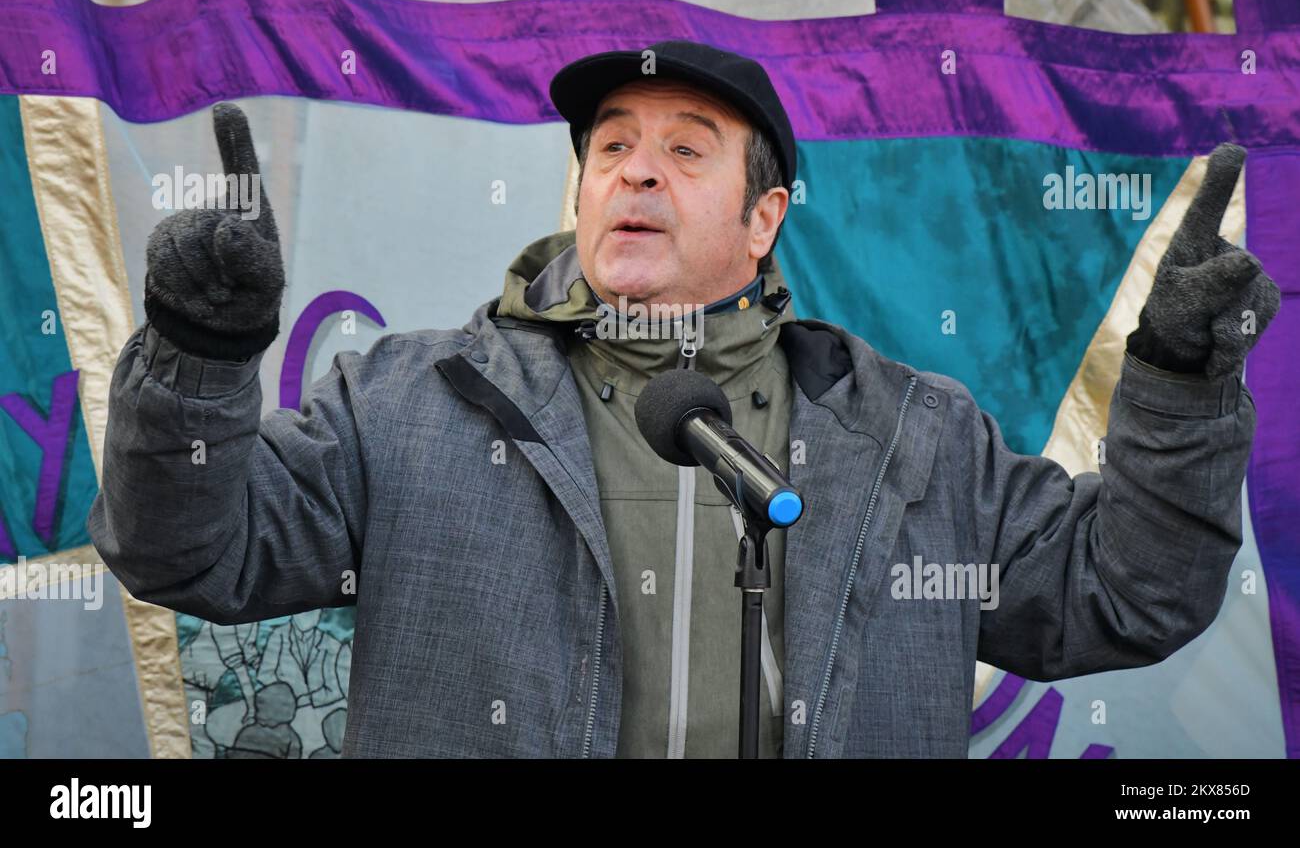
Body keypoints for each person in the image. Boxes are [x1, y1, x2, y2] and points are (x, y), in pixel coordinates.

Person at [88, 40, 1280, 758]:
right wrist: (198, 356)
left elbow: (1127, 592)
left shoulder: (912, 435)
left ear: (765, 220)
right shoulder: (410, 401)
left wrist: (1176, 381)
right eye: (611, 146)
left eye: (687, 147)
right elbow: (186, 547)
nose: (636, 168)